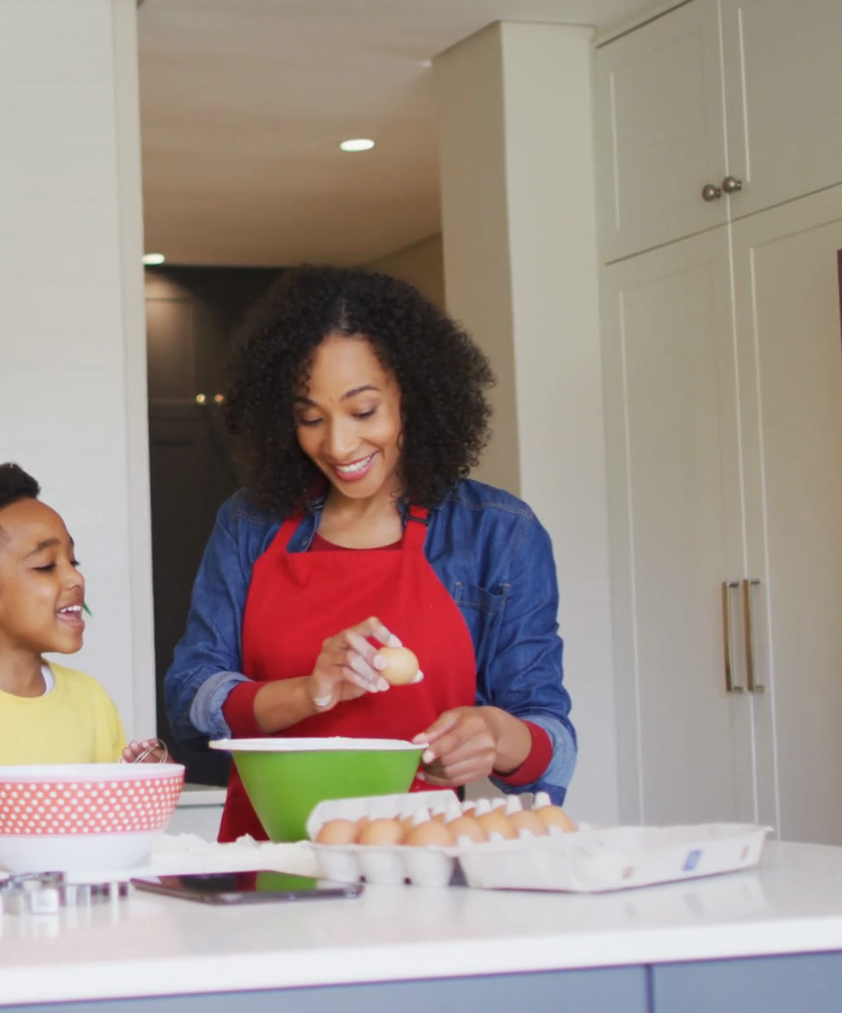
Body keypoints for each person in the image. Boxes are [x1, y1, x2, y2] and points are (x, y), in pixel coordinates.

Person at [161, 266, 575, 842]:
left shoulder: (496, 533)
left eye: (363, 412)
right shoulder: (250, 523)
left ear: (416, 393)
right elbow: (190, 701)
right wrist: (310, 691)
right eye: (310, 418)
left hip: (421, 860)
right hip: (263, 860)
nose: (337, 444)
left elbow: (551, 740)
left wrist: (496, 735)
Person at [0, 464, 167, 854]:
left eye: (74, 562)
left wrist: (143, 782)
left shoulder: (91, 699)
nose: (75, 579)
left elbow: (108, 824)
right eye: (46, 566)